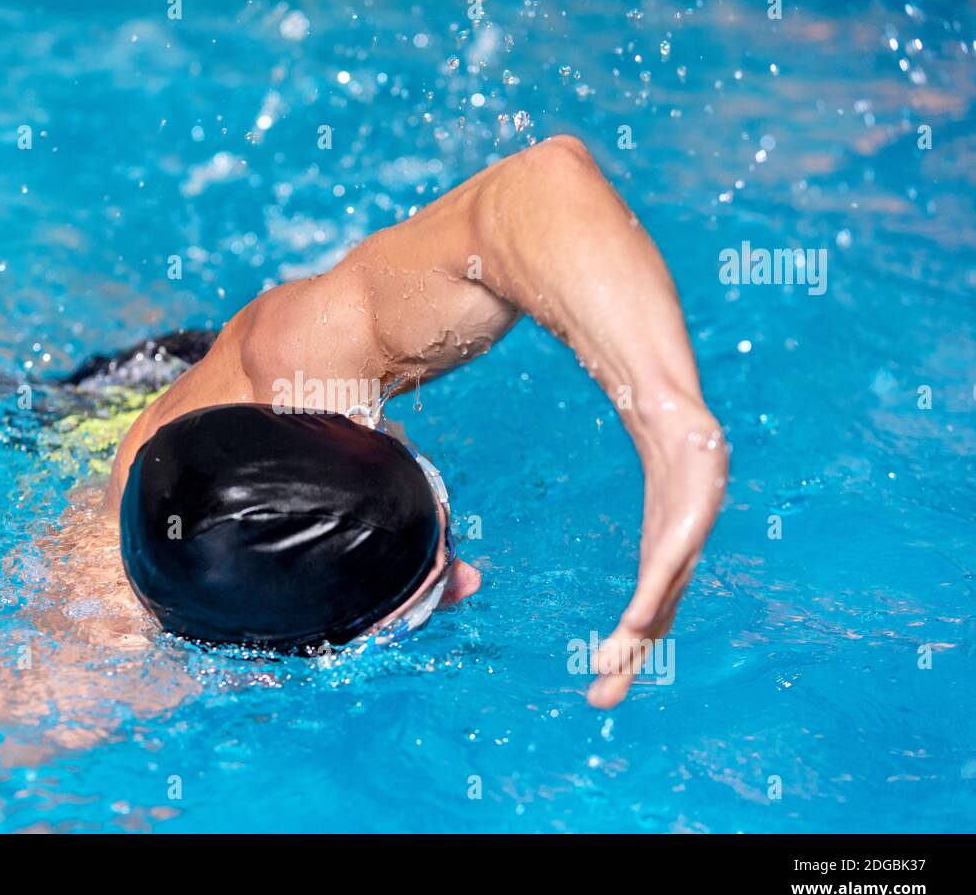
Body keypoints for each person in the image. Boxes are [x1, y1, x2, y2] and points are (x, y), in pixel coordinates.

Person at [101, 135, 728, 709]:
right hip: (91, 420)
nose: (470, 581)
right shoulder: (103, 665)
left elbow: (536, 183)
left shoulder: (306, 364)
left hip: (179, 375)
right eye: (415, 609)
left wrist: (666, 415)